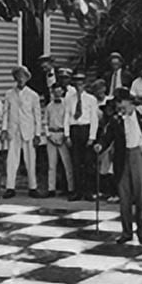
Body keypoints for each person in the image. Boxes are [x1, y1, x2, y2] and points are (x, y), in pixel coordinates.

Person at [94, 87, 142, 245]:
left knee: (140, 195)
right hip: (122, 158)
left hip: (140, 155)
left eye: (121, 102)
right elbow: (106, 136)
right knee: (124, 196)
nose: (119, 106)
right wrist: (100, 145)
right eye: (117, 103)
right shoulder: (116, 120)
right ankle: (126, 232)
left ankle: (141, 231)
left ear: (130, 102)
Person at [1, 66, 43, 198]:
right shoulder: (9, 94)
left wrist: (37, 133)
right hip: (14, 130)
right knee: (12, 159)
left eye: (23, 76)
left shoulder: (33, 95)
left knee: (30, 159)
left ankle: (33, 187)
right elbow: (5, 113)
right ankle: (10, 187)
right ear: (14, 78)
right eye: (18, 76)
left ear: (27, 78)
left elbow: (37, 116)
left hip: (28, 130)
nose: (20, 79)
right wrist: (4, 129)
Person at [64, 72, 99, 201]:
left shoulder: (91, 99)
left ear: (84, 85)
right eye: (76, 84)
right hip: (75, 130)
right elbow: (67, 116)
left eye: (81, 84)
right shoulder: (69, 99)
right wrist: (67, 135)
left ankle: (88, 191)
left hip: (86, 129)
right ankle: (77, 191)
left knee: (88, 162)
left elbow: (94, 118)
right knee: (76, 162)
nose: (79, 87)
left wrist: (92, 136)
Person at [44, 83, 74, 197]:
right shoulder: (49, 106)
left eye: (59, 92)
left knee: (67, 164)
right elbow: (45, 121)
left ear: (62, 92)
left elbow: (68, 121)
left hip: (62, 134)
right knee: (52, 164)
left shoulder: (67, 105)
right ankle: (51, 188)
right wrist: (48, 135)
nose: (57, 94)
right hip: (52, 134)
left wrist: (65, 135)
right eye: (55, 92)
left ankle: (71, 188)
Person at [92, 79, 115, 200]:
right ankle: (103, 190)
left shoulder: (115, 121)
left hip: (113, 143)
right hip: (101, 135)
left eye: (101, 89)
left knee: (110, 168)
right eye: (97, 90)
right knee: (101, 166)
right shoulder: (94, 103)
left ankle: (113, 192)